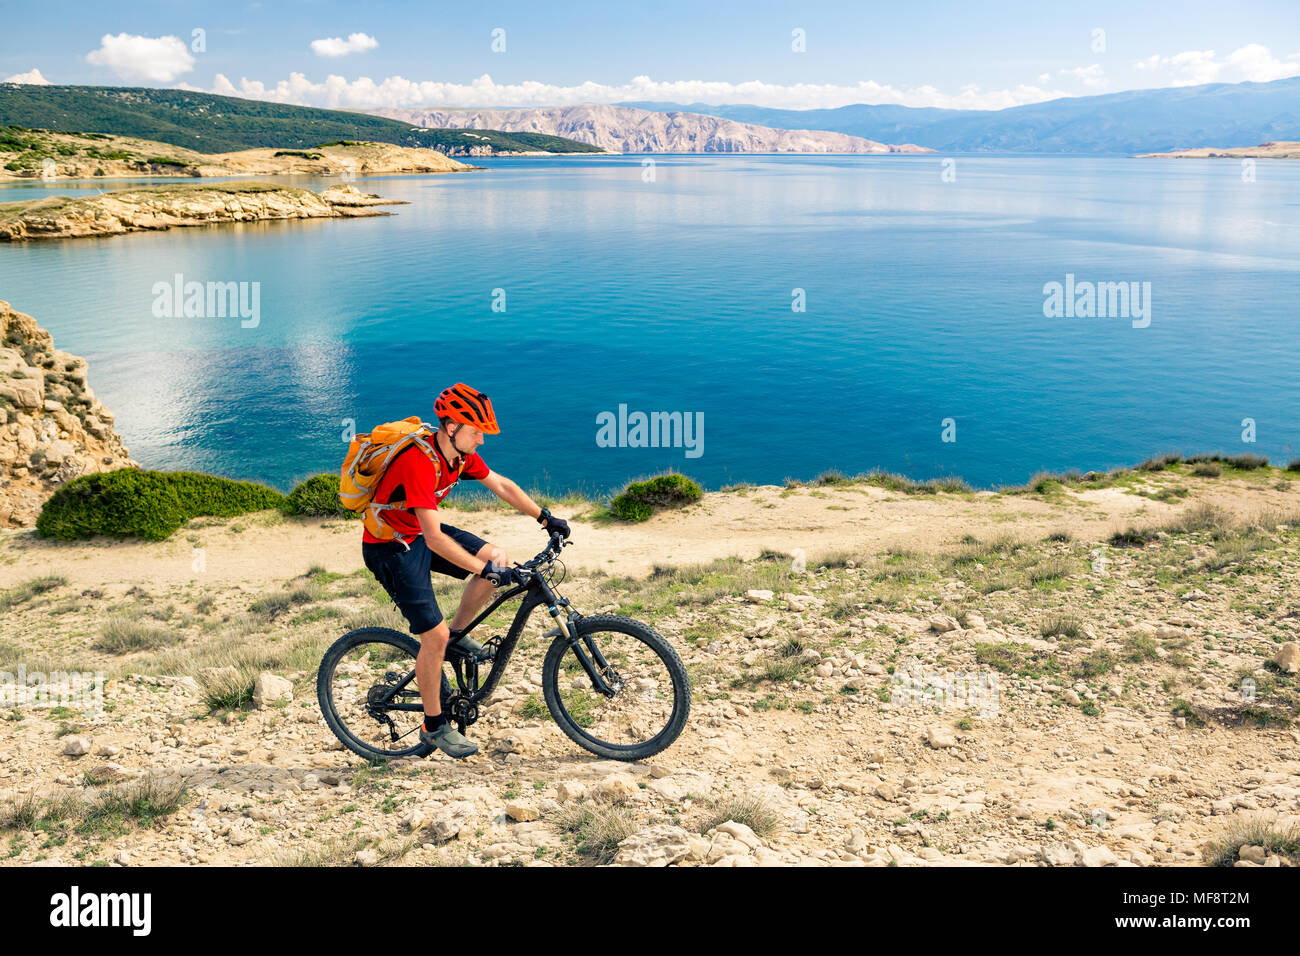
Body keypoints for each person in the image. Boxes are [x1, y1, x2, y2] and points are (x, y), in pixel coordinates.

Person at [360, 383, 570, 758]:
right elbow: (436, 540)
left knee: (498, 557)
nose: (482, 441)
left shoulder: (458, 455)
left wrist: (544, 517)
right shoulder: (419, 461)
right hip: (391, 547)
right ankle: (434, 726)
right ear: (453, 427)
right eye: (477, 432)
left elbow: (501, 484)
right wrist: (486, 572)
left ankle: (457, 635)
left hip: (418, 532)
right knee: (434, 637)